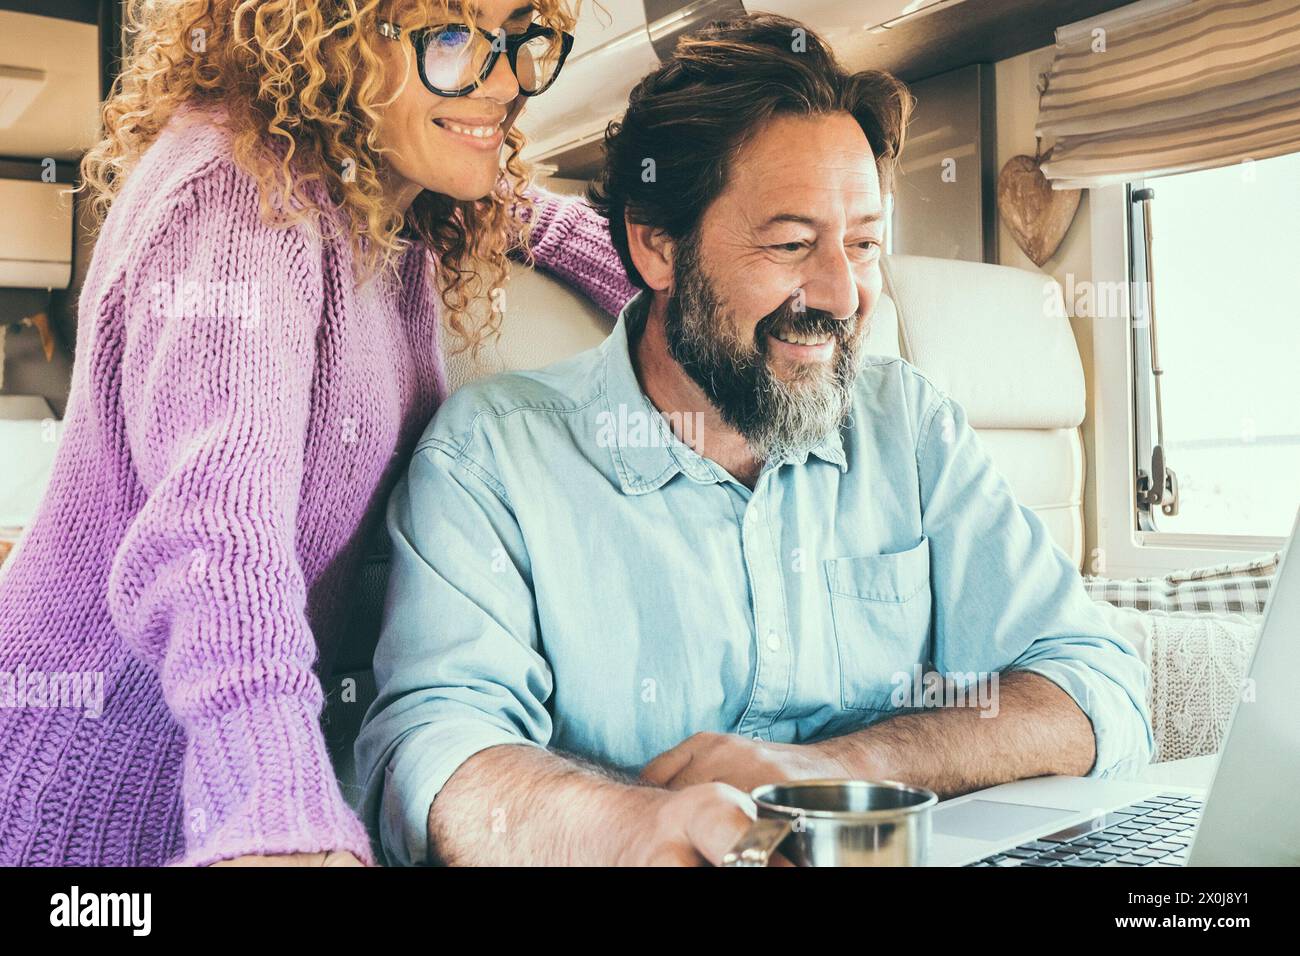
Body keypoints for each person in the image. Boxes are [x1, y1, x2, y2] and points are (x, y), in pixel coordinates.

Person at [355, 13, 1153, 867]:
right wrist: (639, 830)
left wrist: (835, 770)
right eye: (791, 244)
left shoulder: (909, 426)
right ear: (657, 245)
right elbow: (428, 760)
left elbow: (1096, 686)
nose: (843, 295)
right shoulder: (493, 457)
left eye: (864, 245)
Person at [0, 0, 634, 867]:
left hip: (192, 800)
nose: (499, 81)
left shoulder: (391, 190)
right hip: (92, 808)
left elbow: (533, 210)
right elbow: (218, 541)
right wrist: (277, 811)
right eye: (449, 32)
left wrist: (696, 282)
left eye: (523, 33)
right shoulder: (237, 196)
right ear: (330, 31)